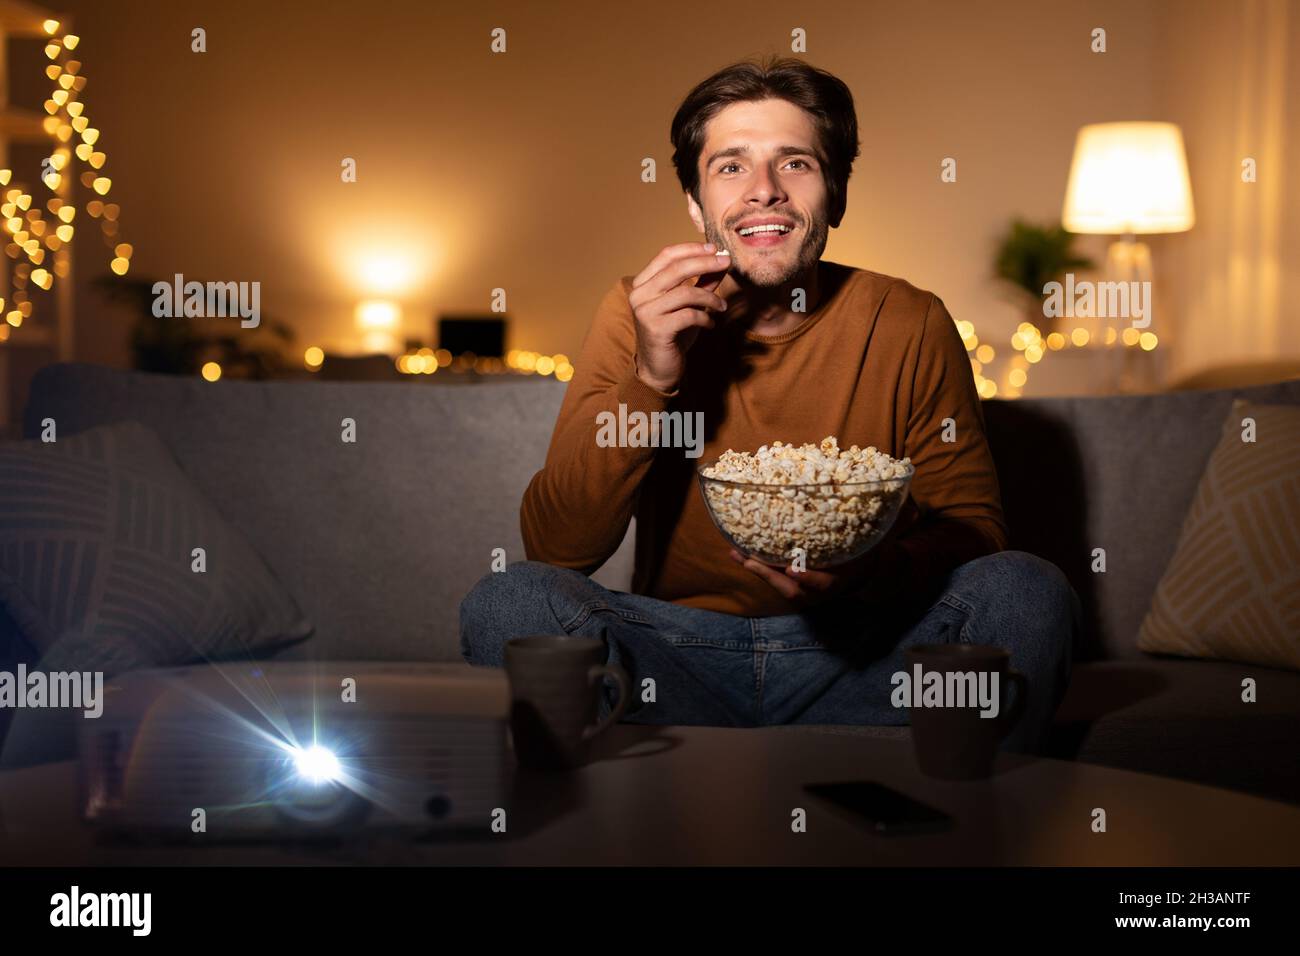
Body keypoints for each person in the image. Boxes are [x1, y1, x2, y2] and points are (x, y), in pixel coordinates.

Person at [460, 55, 1079, 754]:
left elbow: (976, 532)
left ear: (836, 194)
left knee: (1028, 589)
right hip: (674, 660)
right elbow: (558, 548)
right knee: (509, 599)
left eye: (795, 164)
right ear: (696, 204)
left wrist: (866, 571)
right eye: (730, 167)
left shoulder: (908, 320)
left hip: (866, 660)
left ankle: (988, 828)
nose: (764, 192)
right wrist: (651, 375)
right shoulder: (637, 311)